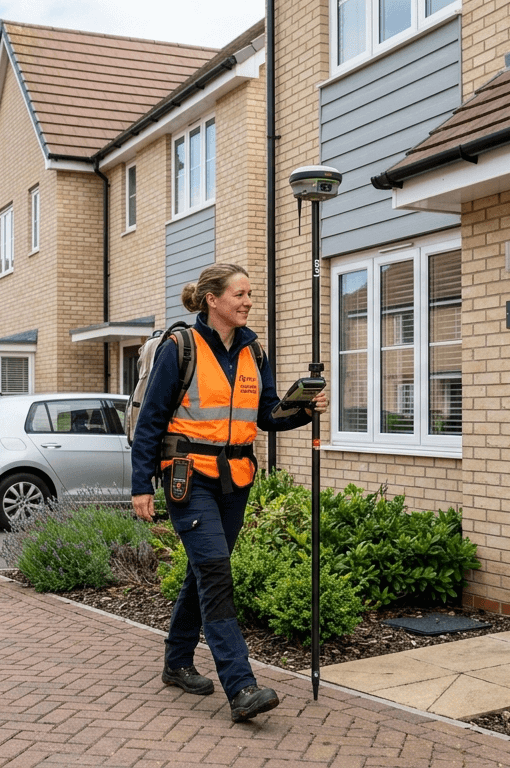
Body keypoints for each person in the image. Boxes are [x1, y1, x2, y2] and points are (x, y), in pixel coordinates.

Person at [131, 262, 327, 723]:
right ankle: (241, 687)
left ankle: (177, 662)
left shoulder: (253, 349)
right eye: (239, 294)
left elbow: (267, 415)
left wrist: (302, 409)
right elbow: (150, 423)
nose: (247, 301)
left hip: (236, 478)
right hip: (187, 477)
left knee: (205, 571)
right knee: (216, 573)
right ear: (212, 299)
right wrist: (141, 485)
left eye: (250, 294)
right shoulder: (180, 347)